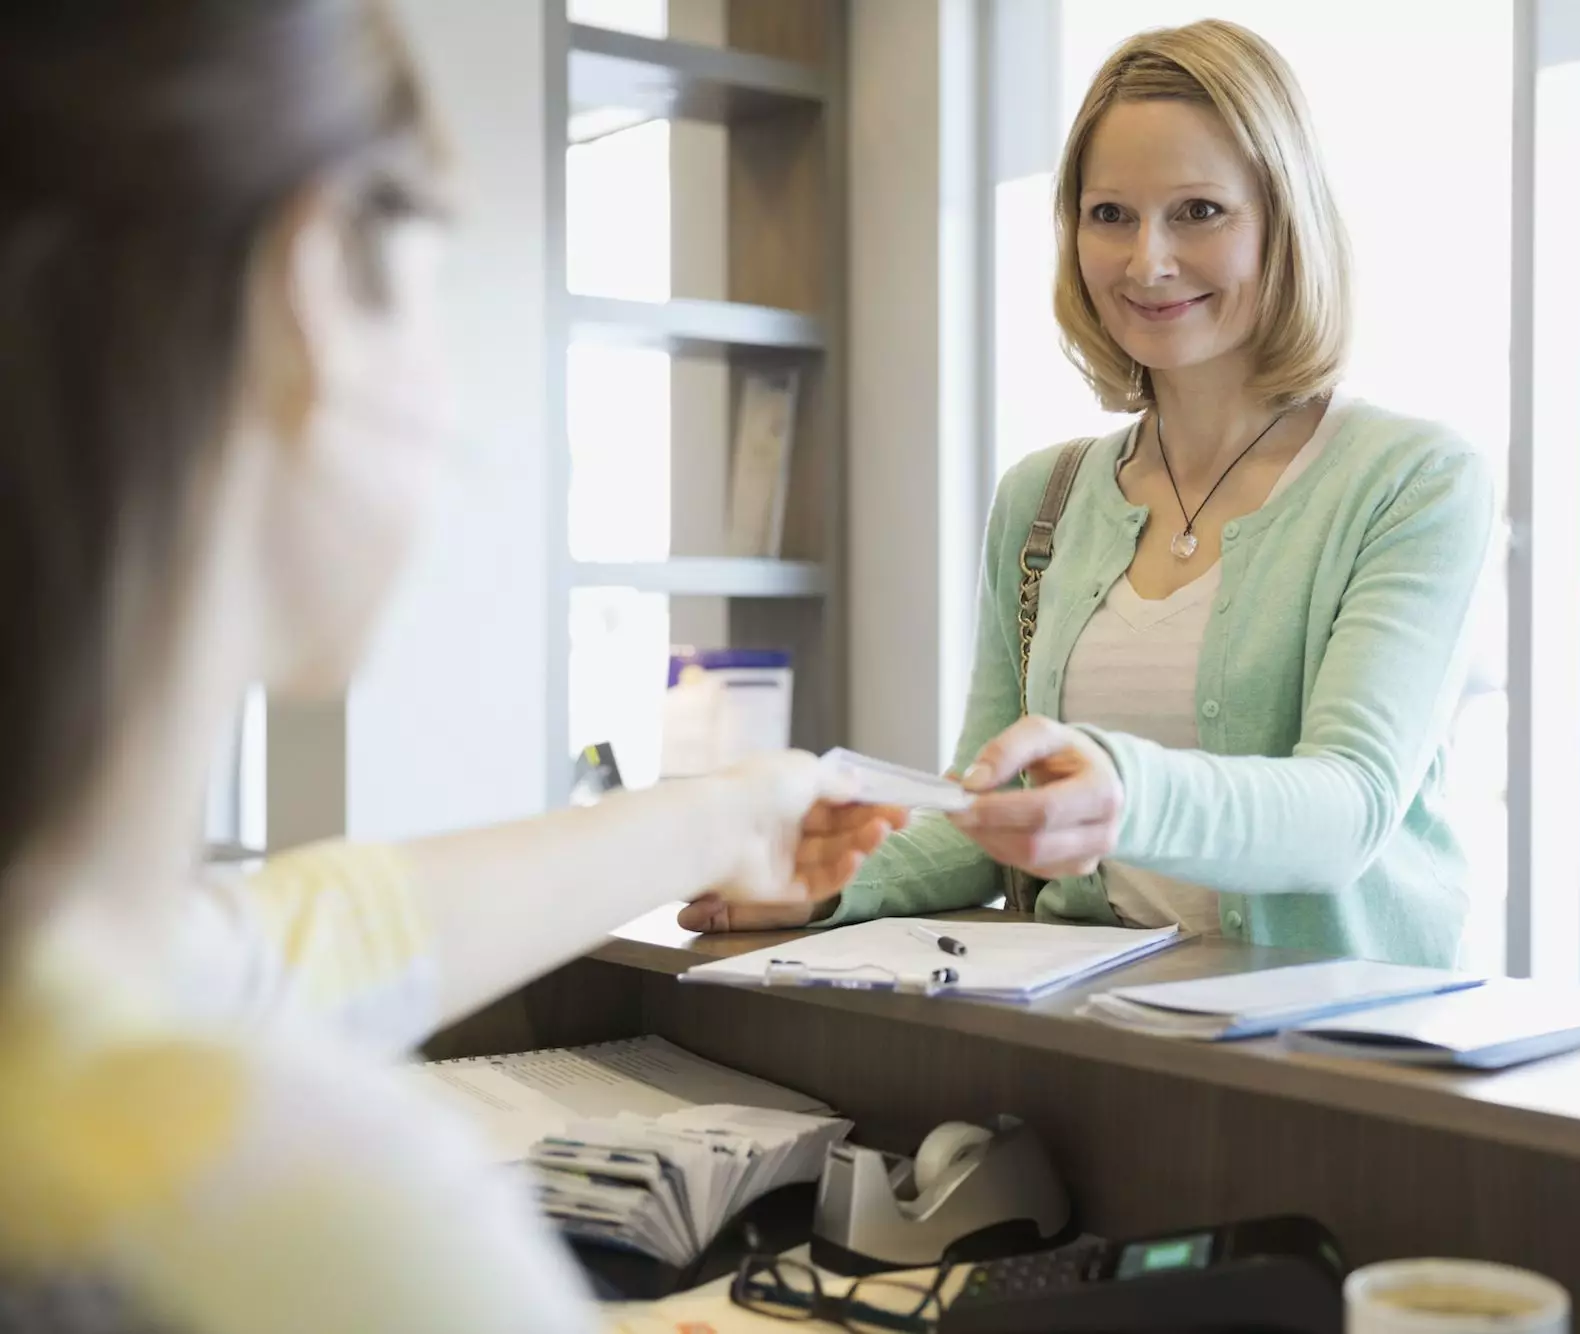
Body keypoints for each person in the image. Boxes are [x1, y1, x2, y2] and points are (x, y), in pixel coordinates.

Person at [0, 5, 898, 1332]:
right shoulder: (324, 1212)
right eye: (433, 287)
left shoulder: (72, 1003)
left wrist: (727, 811)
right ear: (310, 289)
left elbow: (286, 943)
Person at [684, 19, 1494, 967]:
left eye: (1199, 211)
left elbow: (1348, 807)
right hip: (1095, 1046)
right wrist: (823, 887)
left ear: (1283, 222)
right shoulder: (1044, 497)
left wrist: (1123, 795)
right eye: (1110, 214)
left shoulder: (1412, 480)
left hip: (1324, 1071)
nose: (1147, 260)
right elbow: (981, 819)